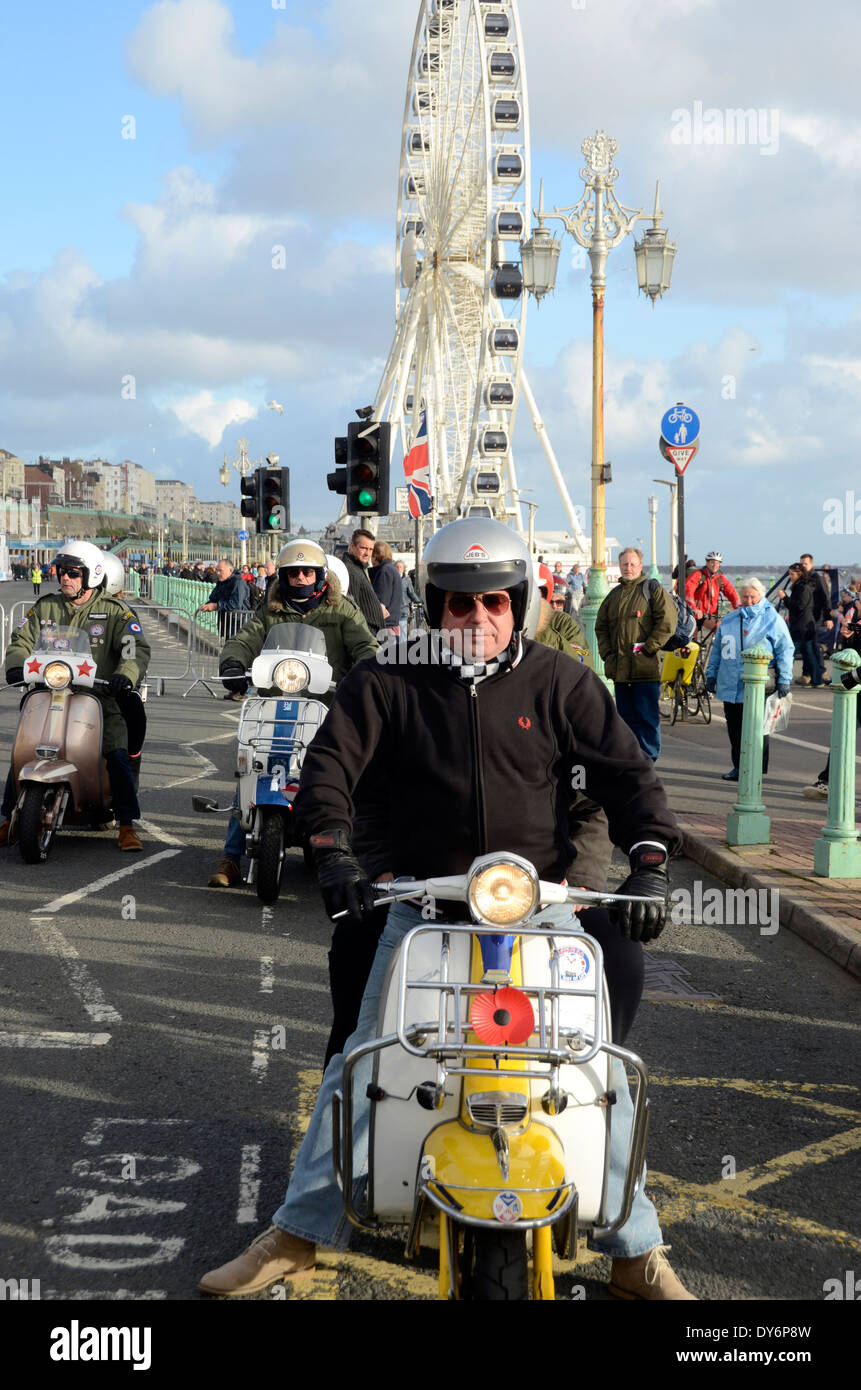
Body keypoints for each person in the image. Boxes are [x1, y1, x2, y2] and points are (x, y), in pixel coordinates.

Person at [199, 518, 694, 1302]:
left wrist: (650, 863)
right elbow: (328, 767)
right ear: (433, 605)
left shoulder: (562, 683)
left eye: (494, 602)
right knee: (361, 1063)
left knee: (599, 1072)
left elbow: (628, 777)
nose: (476, 619)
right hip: (421, 903)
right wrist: (330, 852)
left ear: (521, 600)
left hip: (541, 910)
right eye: (457, 605)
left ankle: (636, 1253)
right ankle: (296, 1232)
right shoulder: (387, 679)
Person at [207, 539, 379, 889]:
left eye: (307, 572)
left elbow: (365, 645)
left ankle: (349, 851)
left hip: (327, 706)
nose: (300, 578)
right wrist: (234, 661)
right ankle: (231, 856)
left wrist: (363, 671)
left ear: (321, 576)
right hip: (275, 704)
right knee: (251, 768)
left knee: (345, 773)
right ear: (281, 578)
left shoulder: (341, 610)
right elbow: (245, 638)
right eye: (292, 573)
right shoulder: (270, 611)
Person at [0, 541, 150, 851]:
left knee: (116, 753)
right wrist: (16, 665)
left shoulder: (114, 611)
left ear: (91, 575)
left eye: (73, 573)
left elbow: (134, 648)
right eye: (61, 572)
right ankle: (6, 818)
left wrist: (126, 674)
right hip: (47, 693)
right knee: (23, 751)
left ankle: (126, 823)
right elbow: (20, 639)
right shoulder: (45, 607)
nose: (64, 578)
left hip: (99, 698)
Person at [705, 578, 793, 781]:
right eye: (744, 596)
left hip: (759, 685)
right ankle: (739, 766)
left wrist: (785, 679)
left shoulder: (772, 619)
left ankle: (757, 768)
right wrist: (711, 673)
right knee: (734, 729)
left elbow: (785, 649)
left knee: (757, 728)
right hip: (730, 683)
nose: (748, 600)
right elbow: (717, 648)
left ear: (761, 595)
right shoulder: (730, 619)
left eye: (753, 596)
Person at [596, 549, 675, 762]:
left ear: (641, 566)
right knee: (625, 719)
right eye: (624, 564)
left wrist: (649, 648)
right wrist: (608, 655)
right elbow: (601, 627)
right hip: (621, 672)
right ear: (619, 566)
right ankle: (631, 760)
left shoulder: (652, 589)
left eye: (632, 564)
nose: (628, 568)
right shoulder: (614, 595)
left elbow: (667, 622)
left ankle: (648, 760)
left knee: (647, 719)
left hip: (644, 671)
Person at [804, 602, 861, 799]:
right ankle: (828, 781)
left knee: (843, 732)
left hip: (854, 684)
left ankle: (829, 781)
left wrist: (847, 680)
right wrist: (849, 639)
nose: (857, 604)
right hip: (856, 691)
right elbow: (851, 656)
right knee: (842, 733)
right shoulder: (857, 622)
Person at [777, 563, 832, 688]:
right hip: (803, 625)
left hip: (802, 627)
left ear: (799, 574)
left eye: (792, 574)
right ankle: (817, 680)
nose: (790, 576)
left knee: (789, 651)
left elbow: (799, 606)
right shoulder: (800, 586)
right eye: (789, 574)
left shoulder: (803, 587)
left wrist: (785, 598)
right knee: (808, 654)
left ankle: (782, 678)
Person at [341, 530, 385, 635]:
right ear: (352, 546)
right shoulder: (350, 571)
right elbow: (352, 611)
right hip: (367, 639)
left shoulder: (358, 568)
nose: (367, 553)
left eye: (370, 549)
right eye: (363, 548)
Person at [685, 551, 739, 637]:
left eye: (717, 563)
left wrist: (739, 608)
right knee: (692, 641)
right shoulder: (698, 575)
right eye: (712, 562)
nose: (715, 565)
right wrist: (694, 608)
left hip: (710, 615)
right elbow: (688, 592)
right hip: (694, 614)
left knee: (721, 632)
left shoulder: (719, 579)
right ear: (707, 563)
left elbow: (732, 593)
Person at [199, 560, 252, 642]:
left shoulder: (238, 583)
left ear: (230, 570)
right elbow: (214, 597)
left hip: (238, 625)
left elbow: (235, 604)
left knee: (235, 650)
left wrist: (216, 606)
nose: (218, 573)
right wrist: (207, 605)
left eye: (220, 571)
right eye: (217, 570)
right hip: (227, 624)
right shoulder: (221, 582)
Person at [369, 540, 402, 638]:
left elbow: (381, 602)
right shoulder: (392, 570)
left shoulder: (384, 571)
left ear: (375, 556)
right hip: (392, 624)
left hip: (385, 626)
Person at [395, 559, 421, 639]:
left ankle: (401, 651)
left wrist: (419, 602)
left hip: (403, 609)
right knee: (394, 636)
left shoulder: (407, 580)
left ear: (403, 569)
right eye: (397, 567)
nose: (399, 568)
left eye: (400, 567)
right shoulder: (391, 579)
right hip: (393, 611)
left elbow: (411, 593)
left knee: (402, 636)